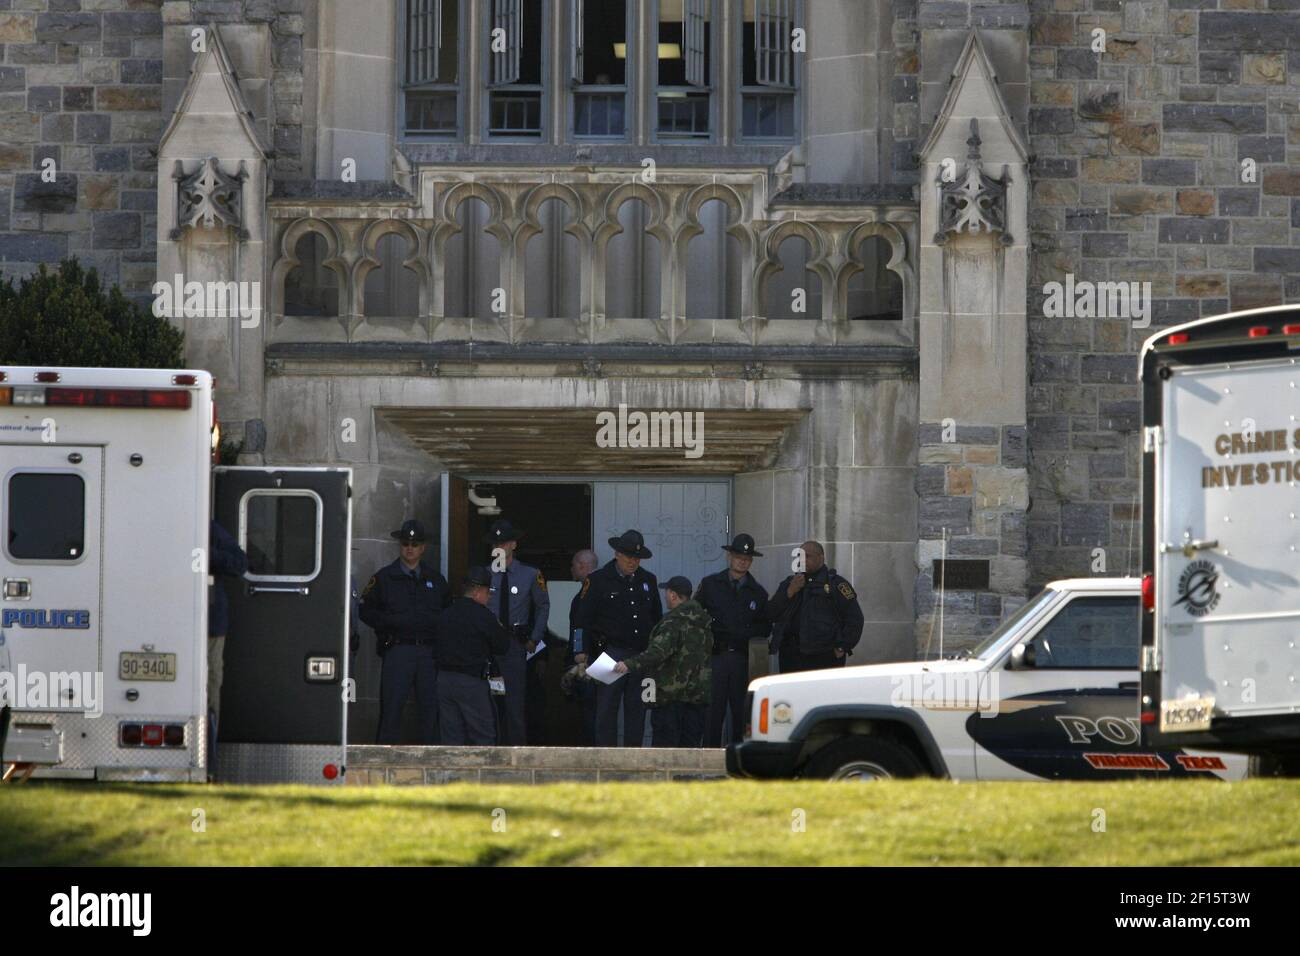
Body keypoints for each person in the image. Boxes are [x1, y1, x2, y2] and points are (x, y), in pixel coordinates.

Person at [360, 519, 450, 744]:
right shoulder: (383, 578)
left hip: (429, 654)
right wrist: (390, 623)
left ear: (423, 548)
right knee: (391, 708)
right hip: (398, 651)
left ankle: (432, 764)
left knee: (431, 710)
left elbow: (449, 613)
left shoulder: (436, 580)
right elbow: (365, 610)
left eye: (415, 543)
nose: (409, 548)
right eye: (405, 543)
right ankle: (383, 762)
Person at [573, 529, 662, 747]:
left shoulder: (648, 580)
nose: (633, 561)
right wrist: (580, 651)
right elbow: (580, 620)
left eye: (637, 558)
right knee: (605, 711)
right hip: (608, 653)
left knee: (637, 712)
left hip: (639, 656)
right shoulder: (597, 580)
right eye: (629, 556)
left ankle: (632, 762)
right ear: (617, 554)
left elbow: (656, 619)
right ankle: (605, 763)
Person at [614, 576, 712, 748]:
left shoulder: (674, 621)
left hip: (670, 696)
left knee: (665, 747)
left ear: (673, 595)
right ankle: (687, 776)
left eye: (667, 592)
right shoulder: (703, 622)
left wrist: (628, 664)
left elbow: (657, 653)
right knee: (690, 748)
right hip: (696, 695)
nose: (665, 596)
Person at [695, 533, 771, 747]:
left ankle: (739, 762)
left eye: (747, 558)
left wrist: (744, 632)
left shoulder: (758, 593)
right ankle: (709, 762)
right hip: (715, 657)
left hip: (741, 659)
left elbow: (765, 626)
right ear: (730, 556)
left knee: (741, 712)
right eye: (739, 556)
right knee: (712, 712)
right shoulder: (710, 584)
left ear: (751, 561)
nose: (742, 561)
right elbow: (694, 615)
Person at [485, 518, 550, 745]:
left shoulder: (530, 574)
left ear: (513, 544)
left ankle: (516, 753)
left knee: (514, 703)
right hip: (487, 646)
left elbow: (542, 605)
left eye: (504, 543)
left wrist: (535, 637)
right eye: (496, 544)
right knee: (487, 702)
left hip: (514, 645)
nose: (499, 548)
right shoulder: (483, 575)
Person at [433, 566, 511, 745]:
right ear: (477, 592)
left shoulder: (446, 613)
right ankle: (484, 774)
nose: (489, 597)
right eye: (488, 593)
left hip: (444, 681)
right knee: (483, 736)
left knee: (451, 737)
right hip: (472, 682)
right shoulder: (484, 616)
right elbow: (502, 646)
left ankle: (453, 773)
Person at [767, 540, 864, 673]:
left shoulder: (836, 585)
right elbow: (771, 613)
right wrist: (789, 592)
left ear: (821, 558)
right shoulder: (790, 583)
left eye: (808, 556)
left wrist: (842, 647)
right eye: (800, 556)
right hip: (791, 656)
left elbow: (855, 619)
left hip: (825, 658)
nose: (803, 560)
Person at [207, 519, 248, 767]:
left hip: (210, 627)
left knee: (211, 690)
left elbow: (240, 563)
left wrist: (204, 553)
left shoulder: (208, 527)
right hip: (166, 626)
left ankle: (208, 760)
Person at [563, 548, 599, 745]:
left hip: (589, 660)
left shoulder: (589, 590)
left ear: (582, 566)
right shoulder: (595, 587)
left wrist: (578, 653)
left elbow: (580, 625)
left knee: (590, 709)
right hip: (600, 658)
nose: (571, 569)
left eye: (574, 564)